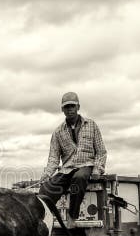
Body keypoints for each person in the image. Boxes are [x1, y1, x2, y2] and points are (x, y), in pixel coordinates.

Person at [39, 92, 107, 221]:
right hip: (67, 168)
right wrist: (47, 174)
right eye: (66, 107)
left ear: (78, 107)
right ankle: (46, 219)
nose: (70, 109)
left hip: (86, 165)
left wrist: (98, 169)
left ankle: (72, 217)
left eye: (72, 106)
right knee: (45, 189)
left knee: (79, 178)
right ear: (62, 109)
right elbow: (54, 158)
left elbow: (101, 151)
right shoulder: (58, 132)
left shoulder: (91, 125)